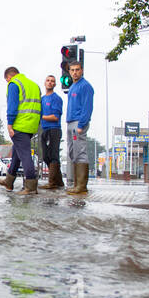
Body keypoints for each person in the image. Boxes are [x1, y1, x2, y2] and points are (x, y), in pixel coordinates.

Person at [0, 66, 42, 195]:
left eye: (7, 80)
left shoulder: (14, 84)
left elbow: (12, 105)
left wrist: (10, 125)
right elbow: (40, 105)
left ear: (9, 76)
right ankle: (9, 182)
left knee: (25, 155)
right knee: (17, 153)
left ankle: (31, 187)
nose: (7, 82)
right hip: (32, 125)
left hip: (20, 124)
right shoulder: (34, 85)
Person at [64, 60, 93, 196]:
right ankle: (76, 184)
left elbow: (87, 107)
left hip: (78, 123)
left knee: (80, 151)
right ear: (69, 72)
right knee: (72, 152)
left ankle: (81, 185)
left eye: (77, 69)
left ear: (81, 70)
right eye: (72, 70)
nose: (75, 72)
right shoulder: (73, 87)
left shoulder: (85, 86)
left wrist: (81, 125)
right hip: (70, 122)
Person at [38, 74, 64, 189]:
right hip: (44, 129)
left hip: (54, 129)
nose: (50, 82)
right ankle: (59, 181)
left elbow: (55, 117)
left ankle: (52, 182)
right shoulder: (42, 99)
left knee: (53, 155)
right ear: (44, 83)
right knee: (45, 156)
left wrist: (42, 117)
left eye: (52, 81)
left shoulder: (56, 99)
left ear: (55, 84)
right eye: (48, 80)